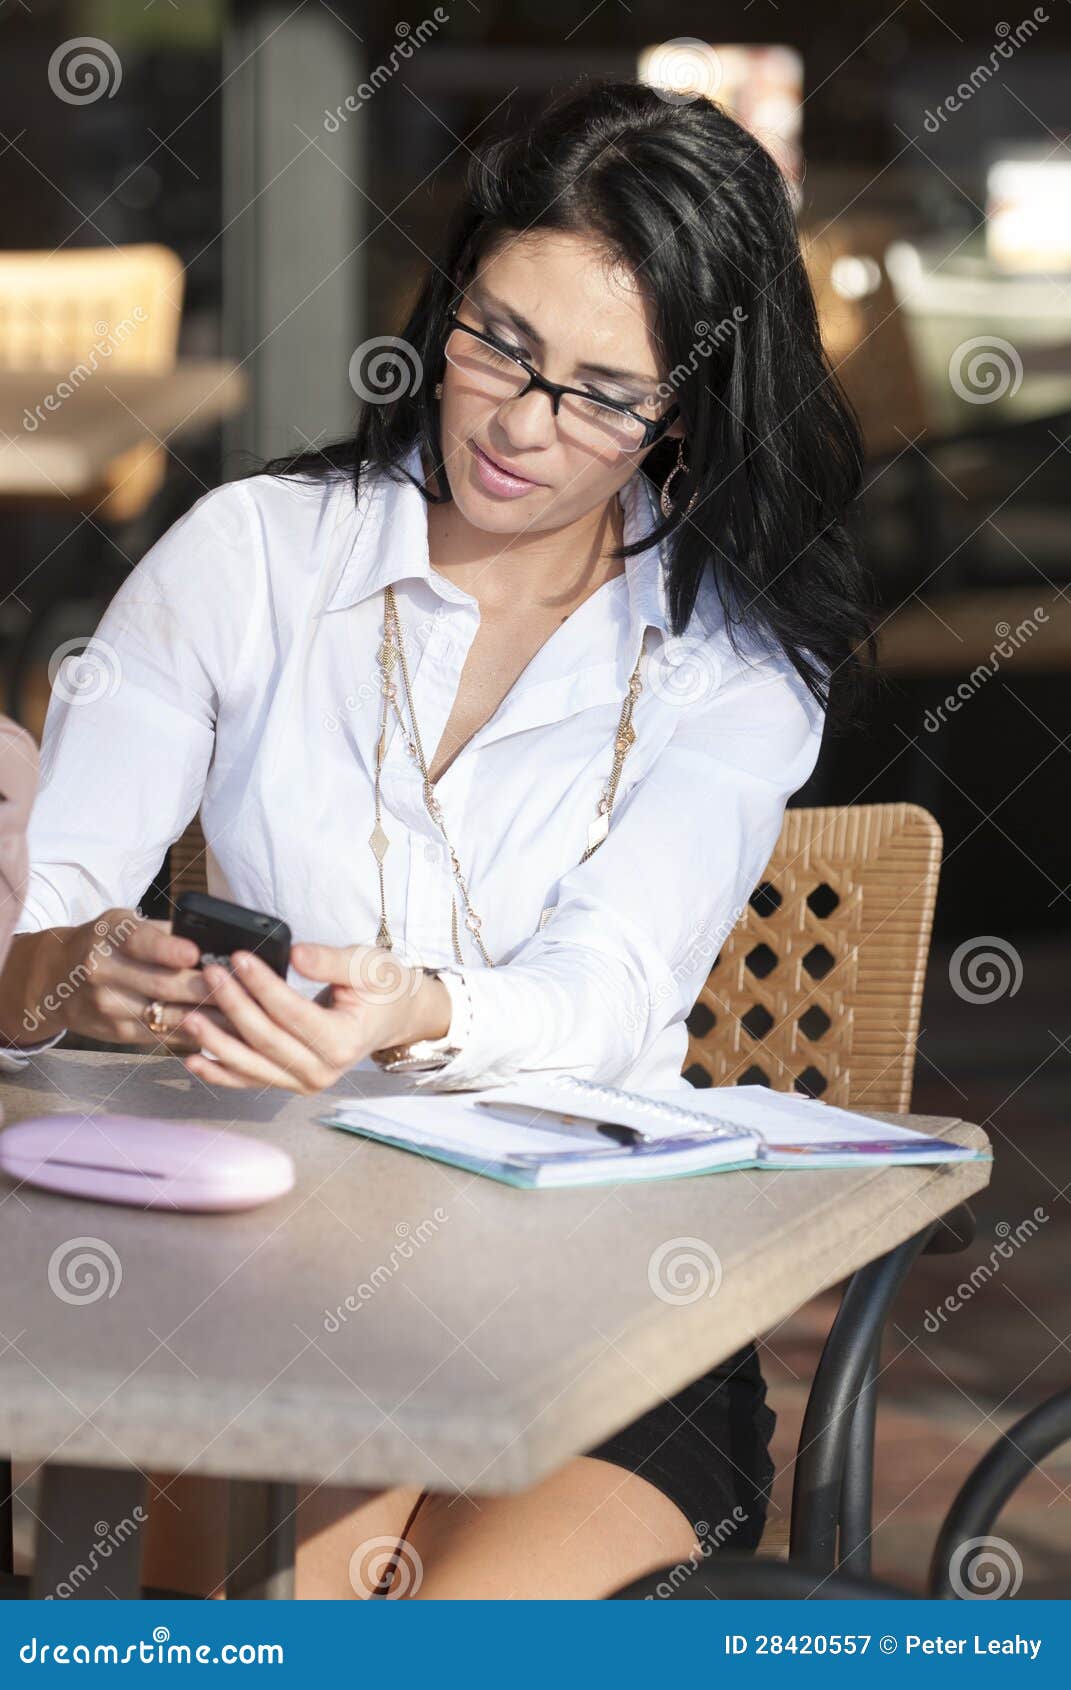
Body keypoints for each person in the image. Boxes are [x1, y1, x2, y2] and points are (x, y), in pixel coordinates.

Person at [0, 78, 876, 1598]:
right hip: (284, 1278)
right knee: (304, 1609)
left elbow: (606, 992)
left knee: (440, 1629)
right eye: (502, 346)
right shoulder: (254, 562)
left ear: (690, 413)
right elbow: (29, 955)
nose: (525, 426)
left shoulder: (731, 666)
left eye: (606, 392)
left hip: (607, 1300)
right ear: (449, 300)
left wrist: (418, 1010)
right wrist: (86, 970)